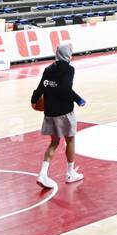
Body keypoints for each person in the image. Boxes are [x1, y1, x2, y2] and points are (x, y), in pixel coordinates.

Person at [31, 41, 86, 189]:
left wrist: (34, 100)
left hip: (50, 113)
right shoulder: (69, 70)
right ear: (67, 54)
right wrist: (78, 99)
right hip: (64, 112)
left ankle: (42, 173)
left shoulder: (48, 69)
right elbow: (65, 90)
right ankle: (70, 173)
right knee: (70, 140)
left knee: (54, 143)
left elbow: (41, 87)